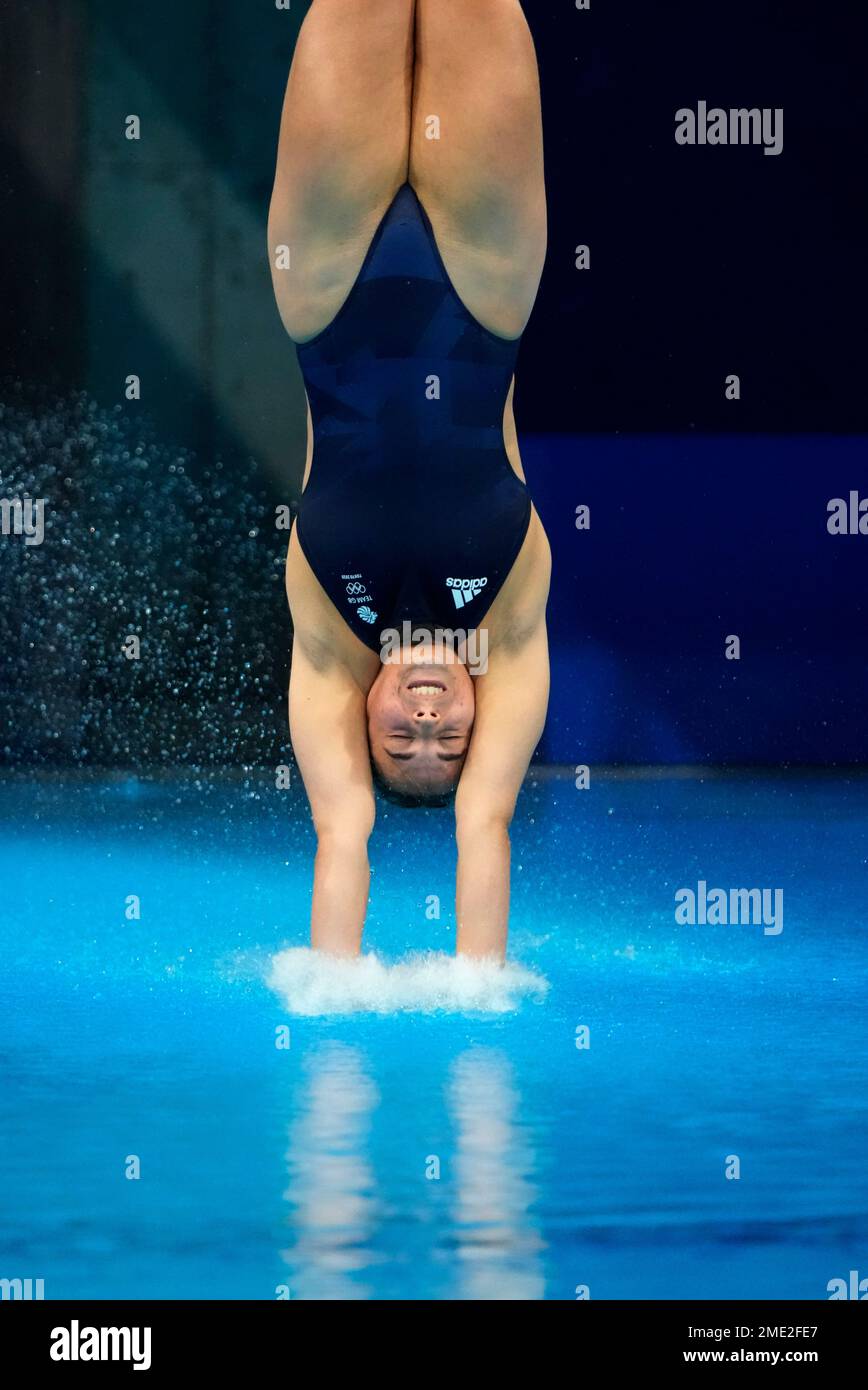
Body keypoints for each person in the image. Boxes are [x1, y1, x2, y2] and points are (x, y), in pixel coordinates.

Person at [268, 0, 550, 959]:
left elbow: (341, 828)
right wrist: (481, 989)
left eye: (400, 741)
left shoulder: (325, 640)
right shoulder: (506, 623)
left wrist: (331, 989)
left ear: (365, 716)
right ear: (481, 717)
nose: (427, 720)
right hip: (486, 279)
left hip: (324, 280)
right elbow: (487, 826)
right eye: (449, 740)